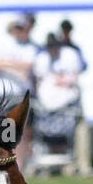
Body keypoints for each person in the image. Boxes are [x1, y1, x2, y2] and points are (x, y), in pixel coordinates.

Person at [31, 33, 83, 168]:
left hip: (68, 104)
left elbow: (74, 77)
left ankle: (79, 164)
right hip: (46, 107)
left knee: (78, 131)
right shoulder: (42, 59)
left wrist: (59, 80)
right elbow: (41, 81)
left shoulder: (70, 55)